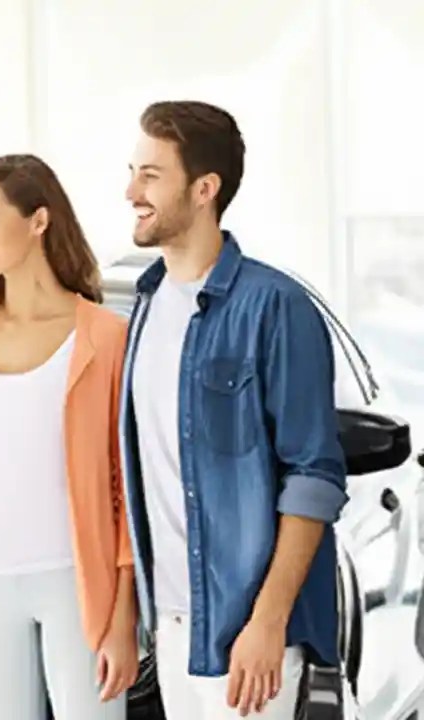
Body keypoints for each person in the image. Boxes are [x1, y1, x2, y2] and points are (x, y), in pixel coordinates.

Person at [120, 101, 347, 718]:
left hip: (249, 633)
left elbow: (313, 476)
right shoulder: (144, 307)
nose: (130, 191)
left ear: (204, 188)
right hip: (169, 627)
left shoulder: (276, 307)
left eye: (150, 175)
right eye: (132, 171)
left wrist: (268, 623)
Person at [0, 154, 138, 719]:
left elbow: (126, 483)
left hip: (76, 581)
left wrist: (124, 616)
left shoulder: (105, 336)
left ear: (38, 220)